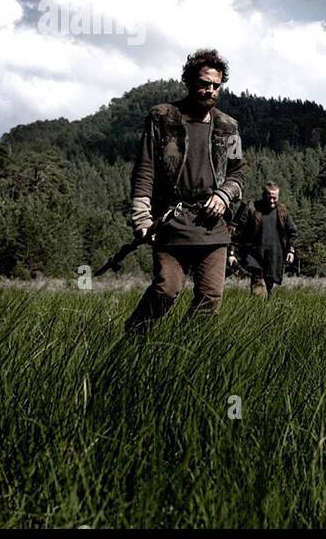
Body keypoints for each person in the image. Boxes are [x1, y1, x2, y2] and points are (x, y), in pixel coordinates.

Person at [124, 49, 246, 332]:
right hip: (171, 220)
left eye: (216, 86)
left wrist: (224, 194)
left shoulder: (230, 127)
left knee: (210, 298)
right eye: (204, 83)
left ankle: (186, 351)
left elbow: (238, 171)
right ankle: (134, 336)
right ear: (190, 81)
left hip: (213, 226)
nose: (210, 90)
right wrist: (141, 217)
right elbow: (145, 168)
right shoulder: (162, 118)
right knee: (167, 289)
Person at [229, 181, 297, 297]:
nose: (271, 201)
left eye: (274, 198)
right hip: (254, 255)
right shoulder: (252, 208)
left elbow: (292, 231)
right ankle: (257, 310)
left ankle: (264, 313)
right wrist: (232, 252)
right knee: (258, 287)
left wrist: (290, 250)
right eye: (269, 197)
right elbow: (238, 232)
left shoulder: (282, 211)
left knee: (269, 287)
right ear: (264, 195)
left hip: (274, 256)